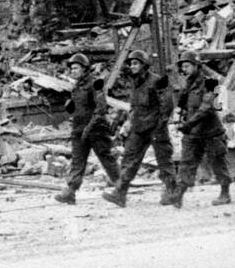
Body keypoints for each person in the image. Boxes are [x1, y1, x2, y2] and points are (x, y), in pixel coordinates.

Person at [102, 50, 176, 207]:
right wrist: (128, 123)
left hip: (156, 128)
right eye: (131, 63)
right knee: (129, 158)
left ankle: (172, 193)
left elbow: (167, 105)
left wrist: (160, 125)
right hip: (139, 128)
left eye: (136, 63)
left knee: (164, 161)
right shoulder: (135, 83)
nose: (132, 66)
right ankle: (120, 194)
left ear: (144, 65)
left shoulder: (157, 81)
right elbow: (134, 107)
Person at [54, 53, 120, 204]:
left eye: (76, 68)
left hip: (95, 129)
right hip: (79, 129)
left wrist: (90, 127)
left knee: (106, 159)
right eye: (71, 69)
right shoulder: (77, 87)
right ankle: (70, 192)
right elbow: (80, 108)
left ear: (84, 69)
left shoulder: (95, 84)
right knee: (77, 161)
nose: (73, 71)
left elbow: (101, 108)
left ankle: (120, 190)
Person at [174, 50, 231, 208]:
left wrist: (189, 124)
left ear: (196, 66)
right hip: (193, 132)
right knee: (187, 162)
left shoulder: (210, 83)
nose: (184, 69)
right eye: (183, 66)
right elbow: (184, 106)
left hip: (210, 131)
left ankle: (225, 193)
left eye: (187, 66)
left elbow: (207, 108)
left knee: (218, 162)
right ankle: (179, 194)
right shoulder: (187, 84)